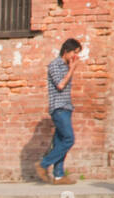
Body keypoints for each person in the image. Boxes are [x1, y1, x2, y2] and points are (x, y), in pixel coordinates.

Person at [37, 38, 82, 186]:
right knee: (69, 139)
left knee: (60, 142)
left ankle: (58, 176)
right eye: (74, 53)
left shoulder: (66, 65)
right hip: (59, 108)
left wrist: (70, 67)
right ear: (66, 51)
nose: (75, 57)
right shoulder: (55, 65)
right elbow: (61, 85)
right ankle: (43, 165)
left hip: (66, 107)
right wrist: (72, 69)